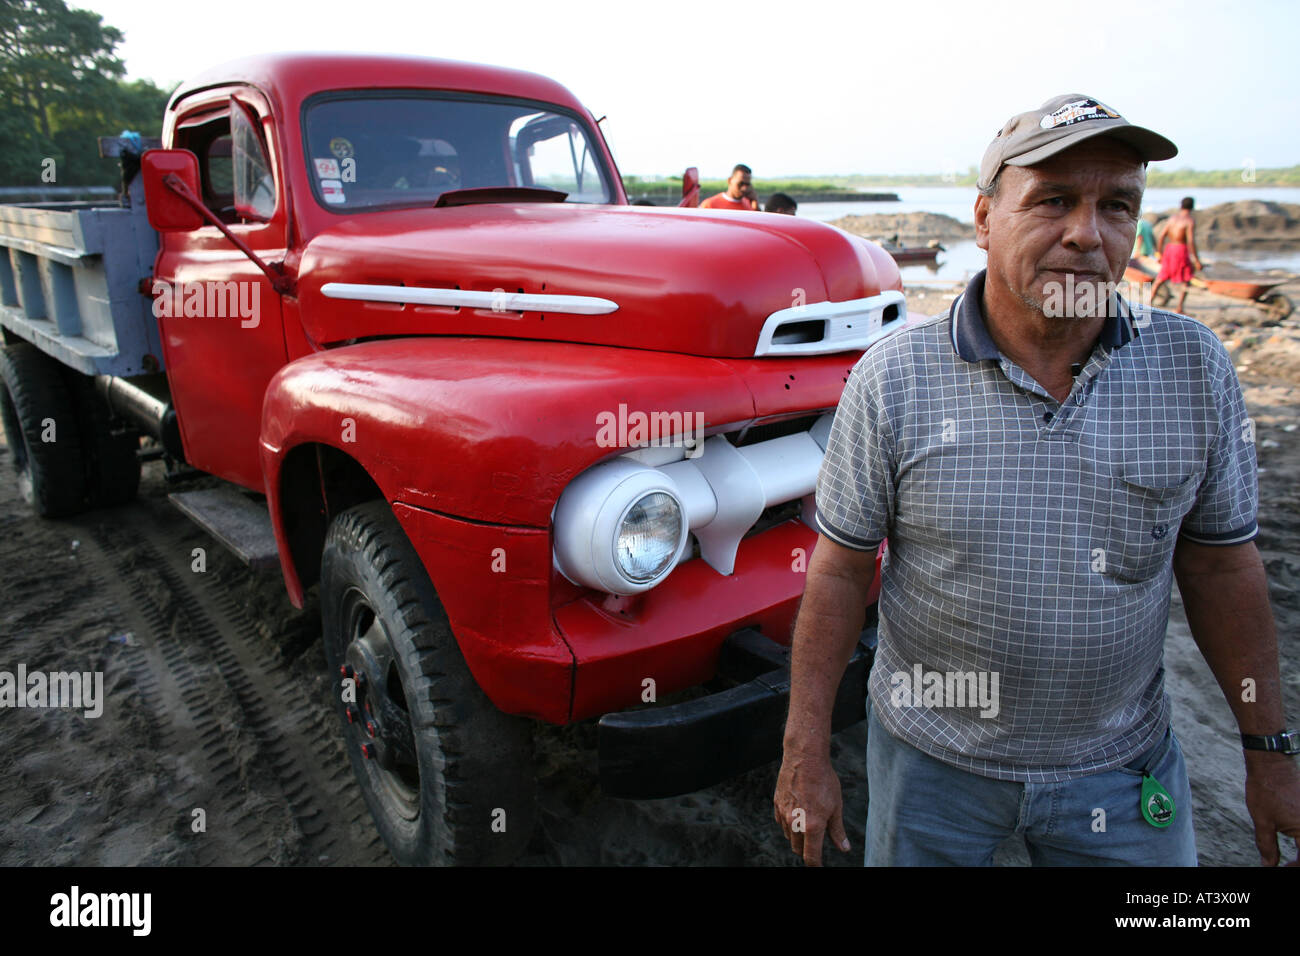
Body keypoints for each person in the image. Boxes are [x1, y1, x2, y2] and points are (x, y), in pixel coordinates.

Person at [773, 93, 1300, 867]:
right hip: (930, 762)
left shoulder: (1193, 369)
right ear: (985, 218)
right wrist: (805, 752)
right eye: (1054, 200)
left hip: (1122, 769)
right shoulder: (894, 378)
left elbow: (1221, 565)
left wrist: (1271, 752)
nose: (1087, 233)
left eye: (1116, 205)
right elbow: (842, 570)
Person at [1150, 197, 1202, 314]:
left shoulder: (1172, 218)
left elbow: (1162, 236)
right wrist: (1197, 260)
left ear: (1181, 206)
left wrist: (1160, 254)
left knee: (1161, 277)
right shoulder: (1189, 220)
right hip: (1180, 249)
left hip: (1170, 249)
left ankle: (1148, 302)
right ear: (1192, 207)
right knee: (1186, 277)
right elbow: (1190, 241)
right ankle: (1179, 307)